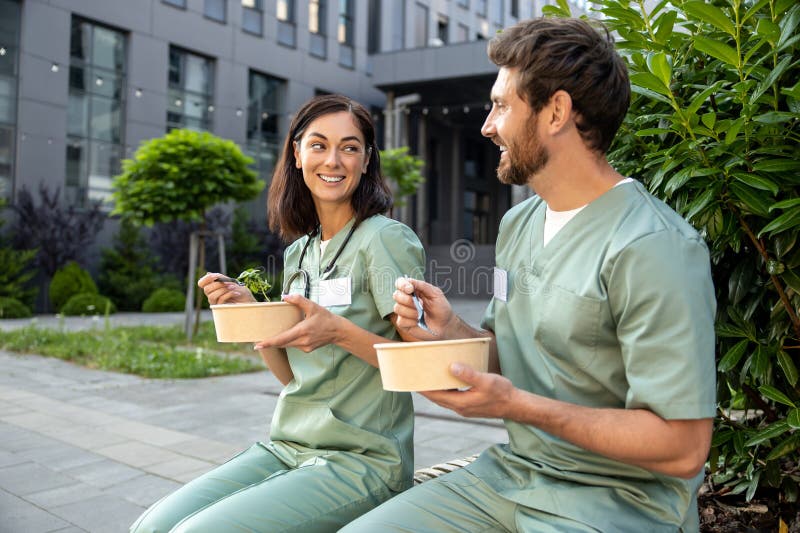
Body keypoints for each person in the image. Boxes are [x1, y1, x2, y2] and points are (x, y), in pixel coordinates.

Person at [342, 17, 716, 533]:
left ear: (556, 112)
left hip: (620, 502)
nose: (486, 126)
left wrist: (520, 407)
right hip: (515, 476)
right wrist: (451, 331)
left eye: (501, 106)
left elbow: (684, 447)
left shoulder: (655, 247)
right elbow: (509, 352)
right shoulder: (518, 223)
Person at [130, 94, 425, 532]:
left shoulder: (384, 239)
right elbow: (294, 377)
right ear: (297, 153)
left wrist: (339, 332)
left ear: (366, 160)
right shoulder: (297, 253)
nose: (333, 160)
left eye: (349, 147)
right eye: (319, 145)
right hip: (289, 445)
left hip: (361, 460)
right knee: (151, 527)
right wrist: (254, 316)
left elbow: (419, 366)